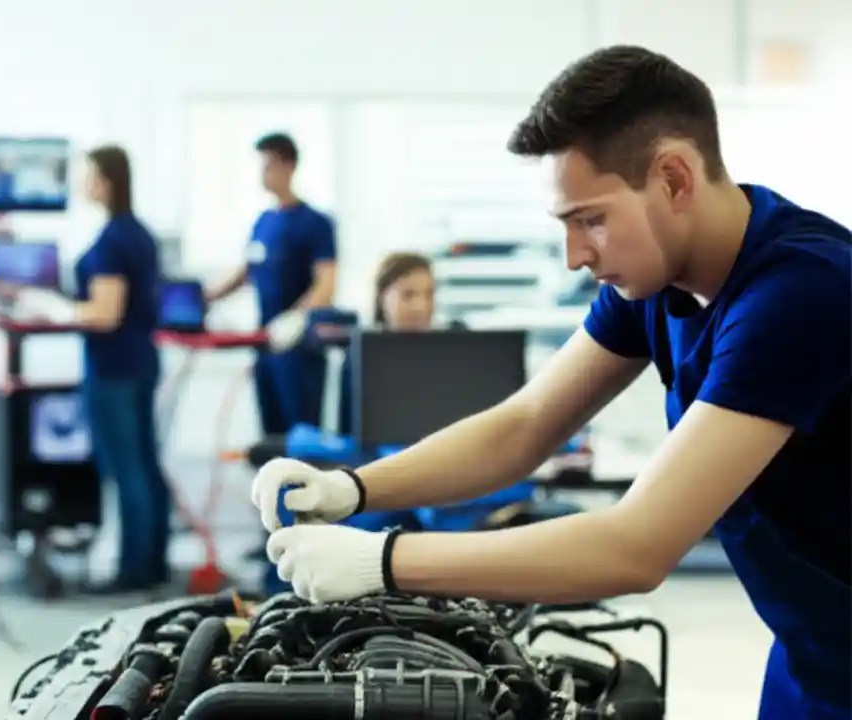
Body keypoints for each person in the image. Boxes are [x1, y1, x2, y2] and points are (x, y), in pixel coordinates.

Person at [252, 46, 849, 720]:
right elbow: (526, 425)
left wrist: (383, 561)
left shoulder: (802, 294)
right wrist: (353, 488)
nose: (575, 257)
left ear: (675, 179)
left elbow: (637, 546)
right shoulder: (655, 282)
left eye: (589, 219)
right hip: (813, 654)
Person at [72, 145, 170, 593]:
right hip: (141, 360)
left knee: (127, 469)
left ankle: (132, 569)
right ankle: (152, 561)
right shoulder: (139, 233)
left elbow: (105, 313)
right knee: (146, 464)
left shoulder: (112, 239)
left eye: (89, 175)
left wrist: (60, 313)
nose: (82, 183)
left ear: (106, 181)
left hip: (113, 367)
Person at [205, 133, 337, 436]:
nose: (262, 174)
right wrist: (205, 297)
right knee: (271, 435)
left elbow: (325, 284)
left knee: (300, 435)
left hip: (298, 347)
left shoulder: (315, 223)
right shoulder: (263, 222)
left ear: (288, 166)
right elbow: (248, 270)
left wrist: (295, 319)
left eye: (268, 166)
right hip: (263, 343)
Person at [336, 252, 437, 436]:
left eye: (429, 294)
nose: (421, 306)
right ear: (383, 298)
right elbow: (350, 430)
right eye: (408, 295)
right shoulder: (361, 353)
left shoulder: (447, 352)